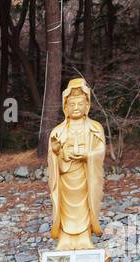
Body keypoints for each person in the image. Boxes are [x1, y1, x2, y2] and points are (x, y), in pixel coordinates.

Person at [47, 78, 106, 251]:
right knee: (64, 207)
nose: (76, 107)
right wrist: (57, 151)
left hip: (86, 176)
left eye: (80, 103)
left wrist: (88, 155)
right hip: (65, 177)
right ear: (65, 107)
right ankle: (65, 237)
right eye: (72, 104)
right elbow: (52, 154)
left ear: (87, 105)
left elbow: (101, 150)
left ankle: (84, 237)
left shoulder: (95, 127)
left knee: (85, 205)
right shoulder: (58, 131)